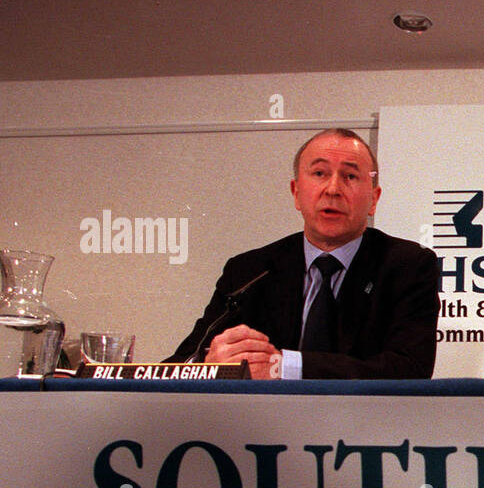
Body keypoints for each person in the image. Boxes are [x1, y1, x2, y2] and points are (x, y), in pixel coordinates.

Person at [166, 128, 438, 379]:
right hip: (263, 428)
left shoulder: (408, 267)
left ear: (374, 200)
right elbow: (182, 361)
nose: (333, 189)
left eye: (350, 176)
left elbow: (410, 368)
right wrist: (208, 364)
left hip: (365, 427)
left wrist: (284, 366)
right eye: (319, 174)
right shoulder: (250, 271)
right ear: (296, 193)